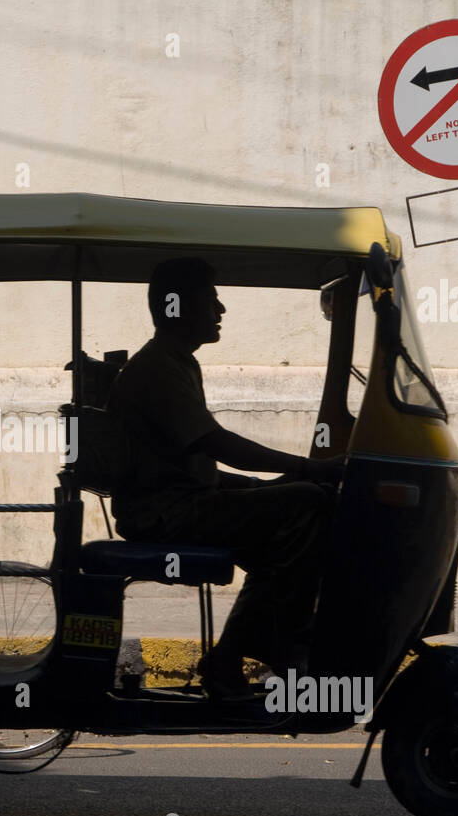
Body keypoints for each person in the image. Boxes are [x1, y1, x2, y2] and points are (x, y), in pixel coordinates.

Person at [104, 257, 345, 699]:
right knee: (308, 502)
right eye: (210, 299)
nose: (221, 310)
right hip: (166, 516)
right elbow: (217, 444)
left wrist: (273, 484)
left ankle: (233, 657)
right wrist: (308, 468)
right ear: (177, 307)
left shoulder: (177, 363)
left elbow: (194, 464)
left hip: (183, 504)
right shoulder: (157, 370)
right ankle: (282, 643)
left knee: (298, 513)